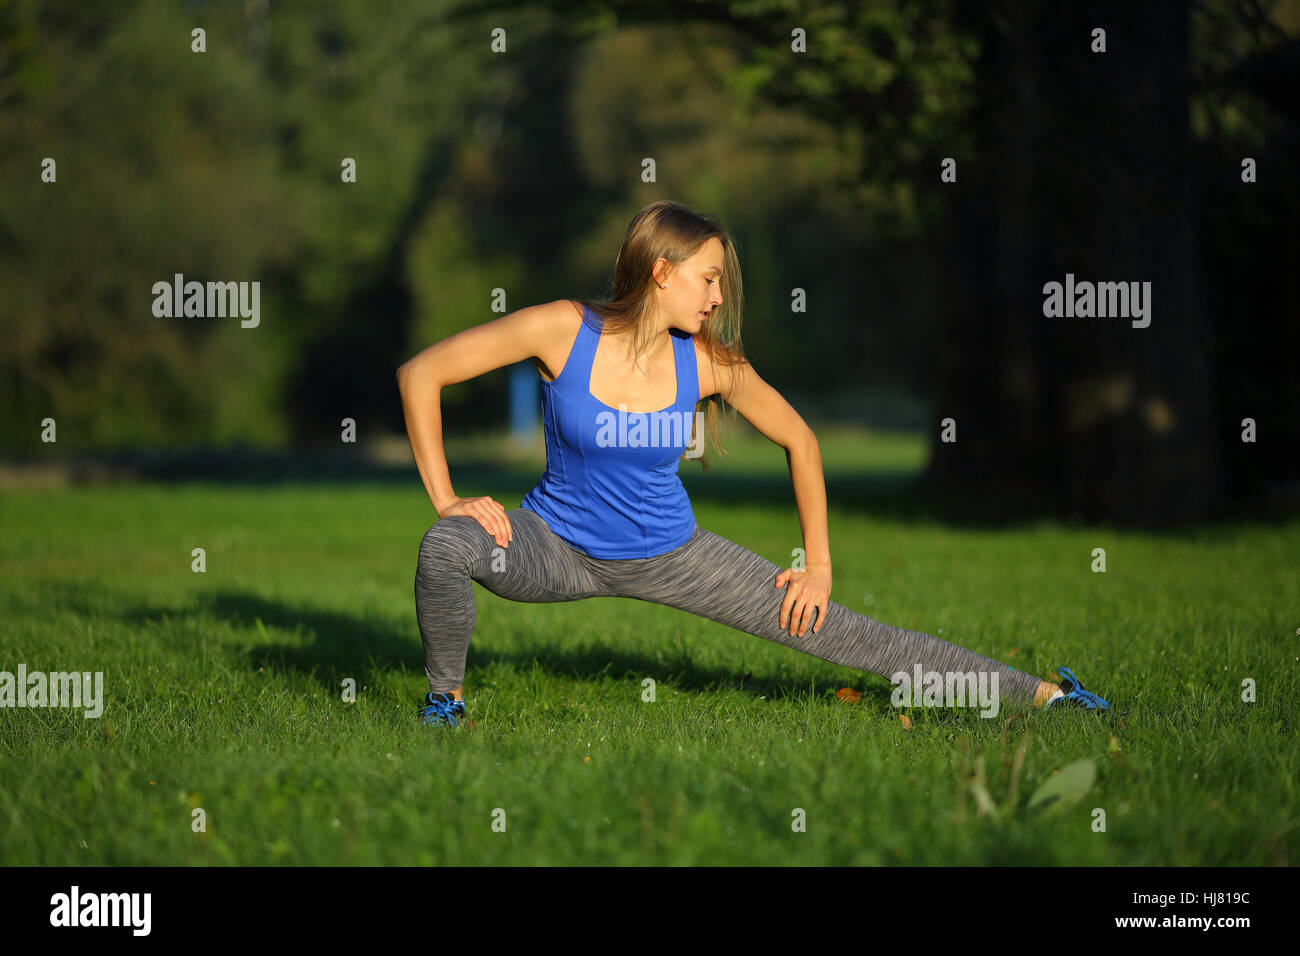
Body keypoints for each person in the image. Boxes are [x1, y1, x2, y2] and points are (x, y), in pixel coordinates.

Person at [396, 200, 1111, 728]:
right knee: (445, 548)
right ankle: (446, 702)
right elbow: (421, 373)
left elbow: (801, 440)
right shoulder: (560, 329)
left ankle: (1044, 696)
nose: (717, 298)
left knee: (851, 633)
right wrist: (447, 497)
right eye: (708, 280)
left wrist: (820, 564)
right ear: (661, 271)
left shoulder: (708, 363)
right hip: (551, 547)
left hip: (673, 553)